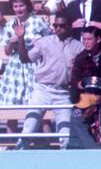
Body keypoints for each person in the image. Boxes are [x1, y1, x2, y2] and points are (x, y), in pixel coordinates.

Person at [15, 11, 82, 148]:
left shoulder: (78, 47)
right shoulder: (44, 42)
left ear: (70, 26)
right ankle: (18, 156)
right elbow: (25, 59)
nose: (58, 29)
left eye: (62, 26)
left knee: (66, 136)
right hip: (43, 90)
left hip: (63, 92)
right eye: (55, 25)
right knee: (28, 128)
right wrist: (21, 38)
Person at [0, 0, 53, 113]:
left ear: (27, 6)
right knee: (12, 106)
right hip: (16, 66)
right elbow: (7, 51)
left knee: (39, 105)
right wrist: (11, 41)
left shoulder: (38, 21)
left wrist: (39, 42)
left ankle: (44, 132)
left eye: (21, 5)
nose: (19, 9)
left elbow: (50, 42)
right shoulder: (10, 24)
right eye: (15, 6)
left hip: (35, 63)